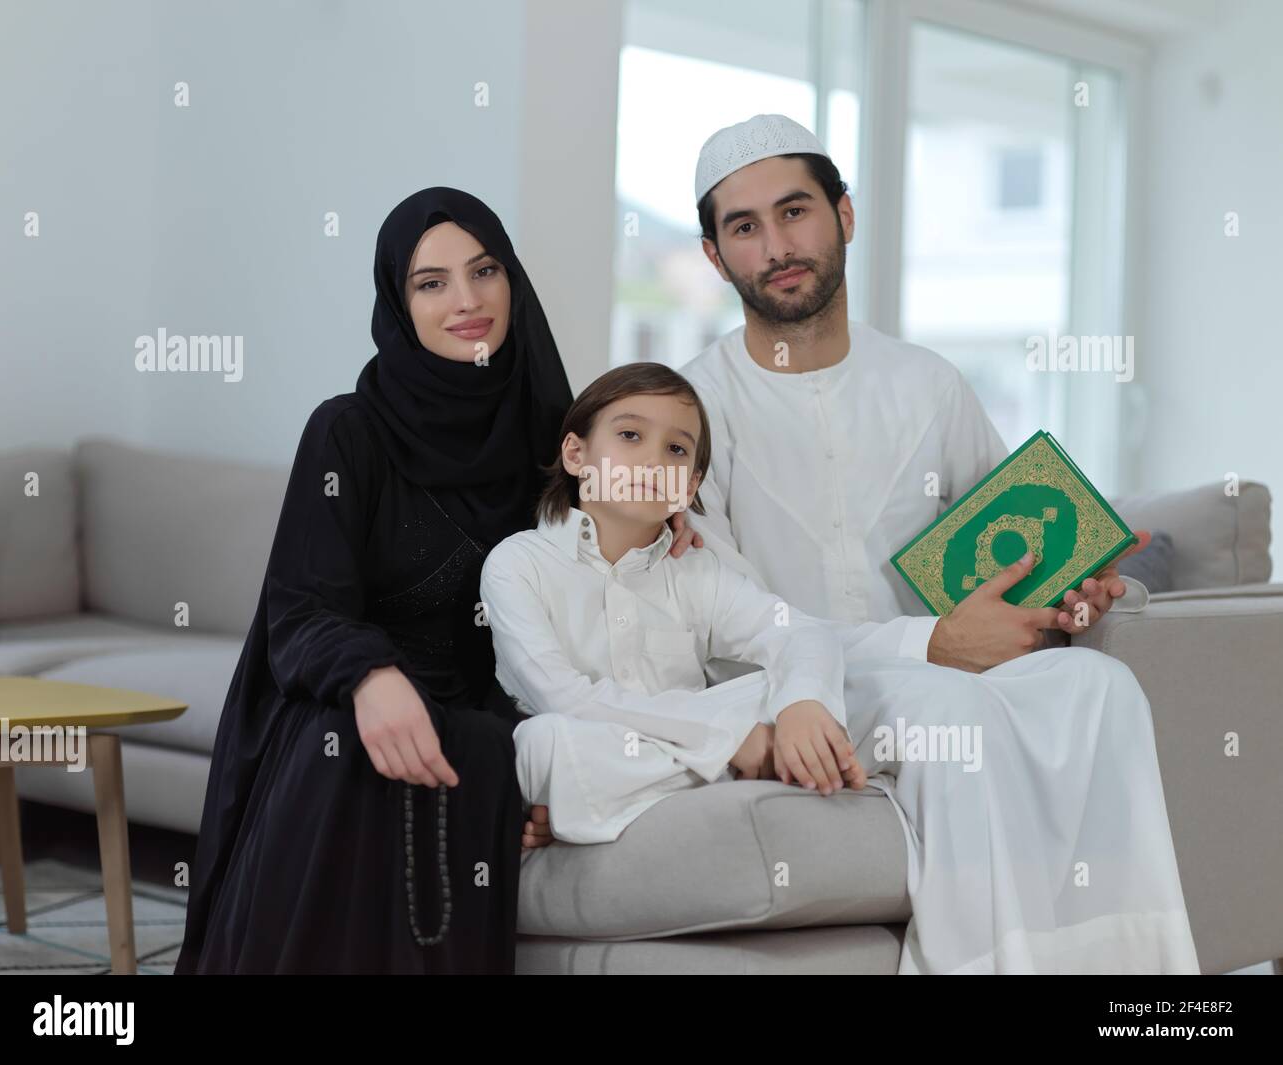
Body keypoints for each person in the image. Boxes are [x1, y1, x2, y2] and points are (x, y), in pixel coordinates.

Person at [481, 362, 1201, 974]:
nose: (650, 461)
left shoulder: (692, 567)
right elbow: (562, 696)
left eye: (676, 451)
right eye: (630, 437)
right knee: (547, 744)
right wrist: (729, 734)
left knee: (1097, 683)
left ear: (691, 482)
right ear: (577, 454)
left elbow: (799, 634)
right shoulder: (518, 565)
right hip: (597, 736)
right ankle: (699, 762)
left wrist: (796, 706)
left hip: (697, 733)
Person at [174, 187, 577, 974]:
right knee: (351, 747)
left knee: (479, 749)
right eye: (431, 283)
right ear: (399, 302)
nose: (465, 300)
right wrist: (370, 673)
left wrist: (670, 521)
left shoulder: (560, 439)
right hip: (349, 705)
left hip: (487, 727)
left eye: (484, 270)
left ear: (511, 281)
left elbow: (603, 578)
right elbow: (300, 608)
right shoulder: (347, 431)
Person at [678, 113, 1150, 681]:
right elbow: (722, 626)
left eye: (794, 212)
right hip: (779, 704)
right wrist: (929, 645)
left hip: (946, 695)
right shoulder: (686, 413)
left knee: (1101, 683)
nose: (778, 248)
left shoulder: (929, 385)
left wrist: (1067, 596)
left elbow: (1018, 555)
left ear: (844, 216)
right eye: (745, 228)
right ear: (716, 258)